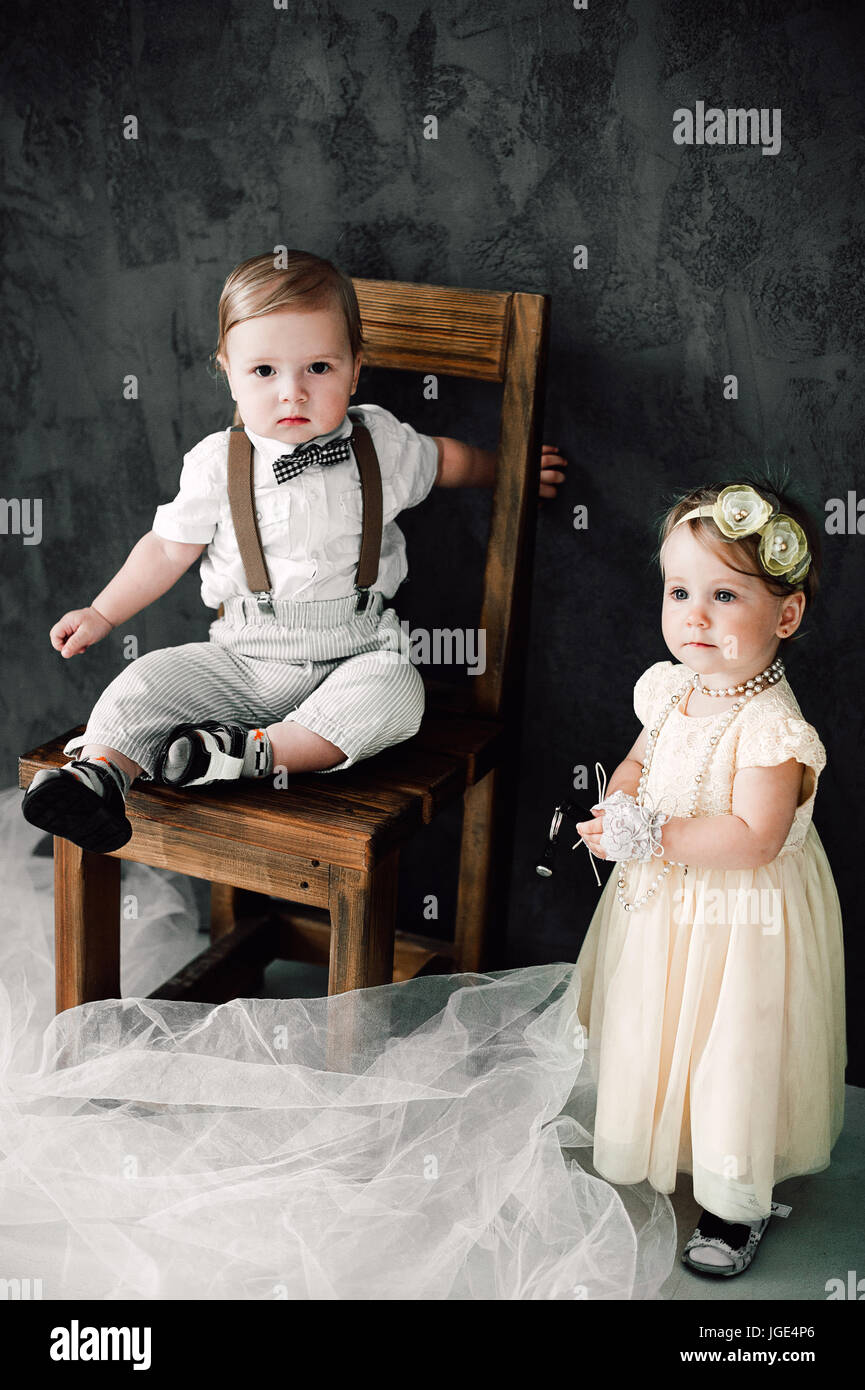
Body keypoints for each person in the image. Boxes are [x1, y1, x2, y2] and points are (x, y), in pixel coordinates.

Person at [21, 249, 567, 852]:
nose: (293, 394)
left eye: (318, 368)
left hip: (358, 653)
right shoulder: (215, 466)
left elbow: (449, 461)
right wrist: (102, 613)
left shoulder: (380, 443)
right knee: (149, 679)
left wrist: (509, 470)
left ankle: (246, 754)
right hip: (243, 661)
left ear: (356, 370)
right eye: (264, 372)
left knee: (398, 694)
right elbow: (165, 550)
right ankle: (99, 778)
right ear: (227, 369)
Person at [572, 480, 846, 1278]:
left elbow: (755, 838)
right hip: (662, 906)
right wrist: (620, 800)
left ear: (784, 616)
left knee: (731, 1046)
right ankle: (660, 1136)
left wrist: (650, 834)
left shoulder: (771, 726)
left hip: (740, 922)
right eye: (679, 591)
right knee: (656, 1023)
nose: (693, 615)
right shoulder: (671, 690)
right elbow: (636, 760)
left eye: (724, 595)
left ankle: (733, 1203)